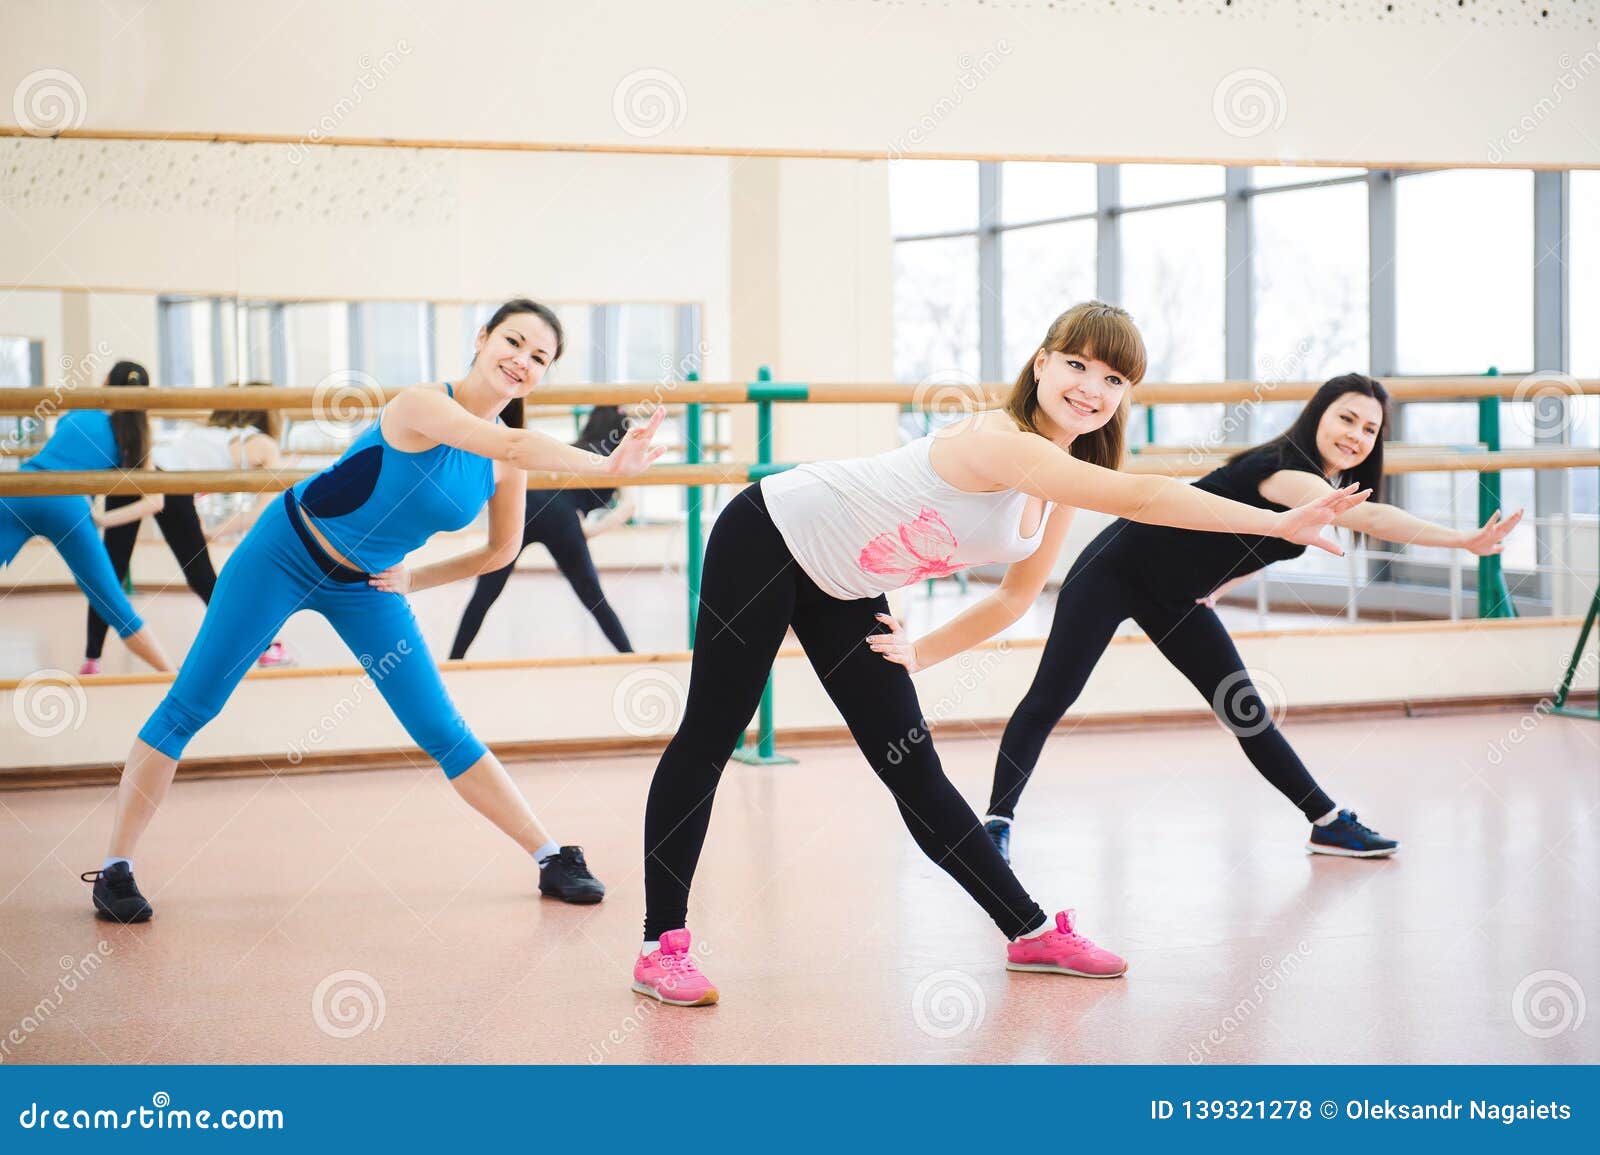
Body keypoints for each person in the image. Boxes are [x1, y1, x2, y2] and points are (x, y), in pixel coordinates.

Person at [631, 302, 1370, 1007]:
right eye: (1077, 364)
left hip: (851, 582)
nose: (1091, 388)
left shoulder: (1058, 486)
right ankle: (660, 944)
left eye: (1113, 379)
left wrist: (919, 649)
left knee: (913, 765)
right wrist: (1279, 523)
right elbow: (1144, 496)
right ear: (1041, 363)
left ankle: (1030, 931)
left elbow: (1015, 598)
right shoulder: (999, 441)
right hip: (770, 532)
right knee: (712, 732)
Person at [82, 299, 665, 925]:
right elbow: (514, 441)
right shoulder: (424, 404)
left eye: (539, 357)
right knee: (192, 703)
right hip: (284, 550)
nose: (521, 361)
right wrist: (606, 465)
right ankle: (116, 868)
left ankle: (551, 857)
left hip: (366, 587)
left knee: (442, 728)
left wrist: (414, 578)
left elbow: (501, 550)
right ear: (482, 337)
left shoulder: (506, 457)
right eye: (513, 342)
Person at [983, 373, 1521, 863]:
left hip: (1178, 598)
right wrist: (1461, 540)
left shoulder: (1315, 483)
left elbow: (1253, 542)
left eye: (1370, 429)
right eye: (1346, 418)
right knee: (1051, 698)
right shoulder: (1286, 473)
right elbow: (1368, 517)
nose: (1355, 435)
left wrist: (1218, 586)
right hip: (1113, 569)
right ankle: (996, 825)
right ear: (1318, 415)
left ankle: (1327, 822)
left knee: (1246, 712)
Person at [82, 389, 293, 675]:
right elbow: (261, 512)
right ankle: (265, 646)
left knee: (111, 569)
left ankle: (91, 659)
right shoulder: (264, 444)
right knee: (202, 576)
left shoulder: (206, 432)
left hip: (137, 469)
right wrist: (215, 532)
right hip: (172, 482)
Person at [1, 360, 173, 672]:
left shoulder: (80, 412)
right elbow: (155, 500)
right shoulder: (134, 438)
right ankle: (172, 676)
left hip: (20, 489)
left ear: (105, 383)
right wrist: (103, 519)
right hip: (69, 504)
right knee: (113, 602)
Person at [449, 405, 636, 659]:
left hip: (526, 504)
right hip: (563, 519)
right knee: (592, 595)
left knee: (487, 590)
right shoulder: (613, 462)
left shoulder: (575, 449)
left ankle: (454, 659)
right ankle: (628, 655)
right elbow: (628, 507)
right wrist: (589, 531)